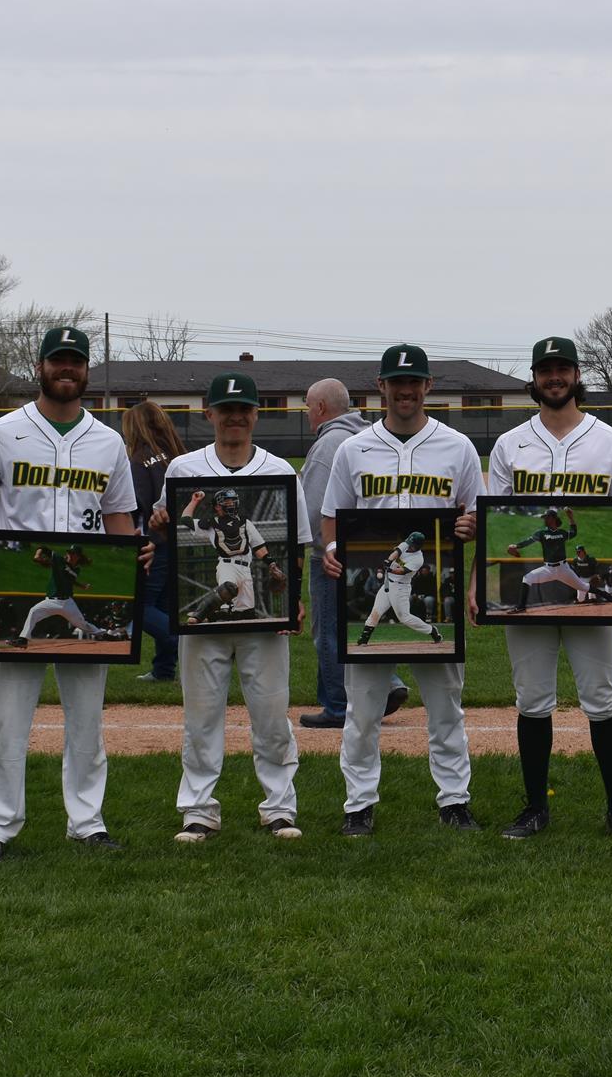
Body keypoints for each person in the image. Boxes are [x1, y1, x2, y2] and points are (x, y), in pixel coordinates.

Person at [0, 327, 139, 865]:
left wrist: (132, 558)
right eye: (58, 361)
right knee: (5, 719)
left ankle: (87, 821)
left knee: (87, 718)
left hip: (73, 591)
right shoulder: (1, 432)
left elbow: (118, 517)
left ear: (87, 371)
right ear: (40, 366)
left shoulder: (108, 441)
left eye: (76, 362)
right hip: (17, 588)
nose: (67, 370)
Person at [480, 336, 612, 841]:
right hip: (544, 573)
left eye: (563, 369)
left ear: (577, 377)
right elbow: (493, 524)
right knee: (532, 700)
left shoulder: (611, 440)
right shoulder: (510, 444)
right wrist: (480, 583)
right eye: (545, 370)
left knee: (602, 698)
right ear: (533, 380)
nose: (555, 378)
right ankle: (535, 808)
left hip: (576, 578)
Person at [320, 344, 483, 835]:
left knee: (445, 707)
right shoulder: (354, 449)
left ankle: (454, 801)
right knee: (362, 710)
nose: (406, 389)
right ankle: (358, 805)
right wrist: (331, 548)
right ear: (382, 386)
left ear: (428, 386)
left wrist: (471, 528)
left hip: (409, 581)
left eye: (414, 381)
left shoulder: (458, 447)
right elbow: (332, 519)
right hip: (375, 581)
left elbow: (477, 517)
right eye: (397, 381)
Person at [146, 372, 307, 844]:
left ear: (256, 414)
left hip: (260, 607)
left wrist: (291, 596)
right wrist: (163, 517)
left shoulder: (279, 469)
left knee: (272, 715)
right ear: (209, 413)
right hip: (222, 574)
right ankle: (198, 810)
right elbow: (173, 525)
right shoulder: (183, 469)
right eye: (226, 408)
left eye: (244, 408)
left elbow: (294, 547)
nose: (235, 416)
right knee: (200, 714)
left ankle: (278, 808)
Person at [299, 379, 406, 729]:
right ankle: (387, 686)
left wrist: (313, 548)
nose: (306, 414)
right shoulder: (369, 436)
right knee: (358, 623)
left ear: (319, 409)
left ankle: (337, 705)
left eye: (307, 407)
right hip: (369, 550)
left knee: (329, 630)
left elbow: (314, 509)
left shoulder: (329, 442)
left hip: (332, 553)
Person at [124, 400, 184, 683]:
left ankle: (181, 642)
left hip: (155, 543)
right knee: (164, 606)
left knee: (139, 605)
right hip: (182, 540)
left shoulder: (138, 458)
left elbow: (138, 504)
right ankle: (164, 670)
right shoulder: (178, 454)